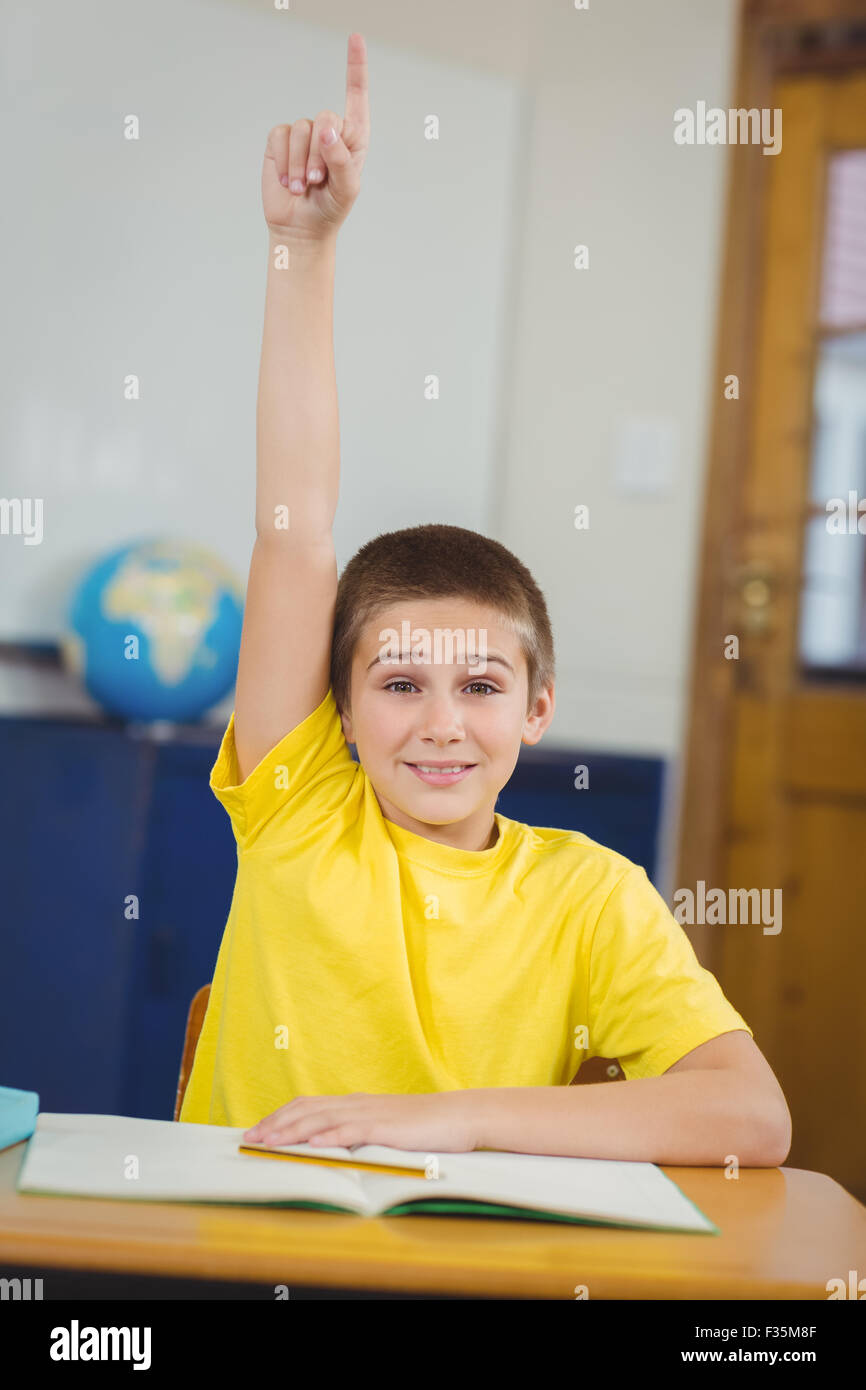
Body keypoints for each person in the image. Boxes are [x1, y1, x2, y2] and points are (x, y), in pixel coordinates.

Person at [180, 33, 791, 1167]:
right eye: (398, 682)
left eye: (480, 685)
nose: (442, 721)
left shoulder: (590, 895)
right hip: (248, 1246)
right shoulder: (298, 805)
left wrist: (447, 1117)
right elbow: (295, 529)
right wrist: (301, 248)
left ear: (537, 708)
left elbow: (750, 1118)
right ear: (340, 712)